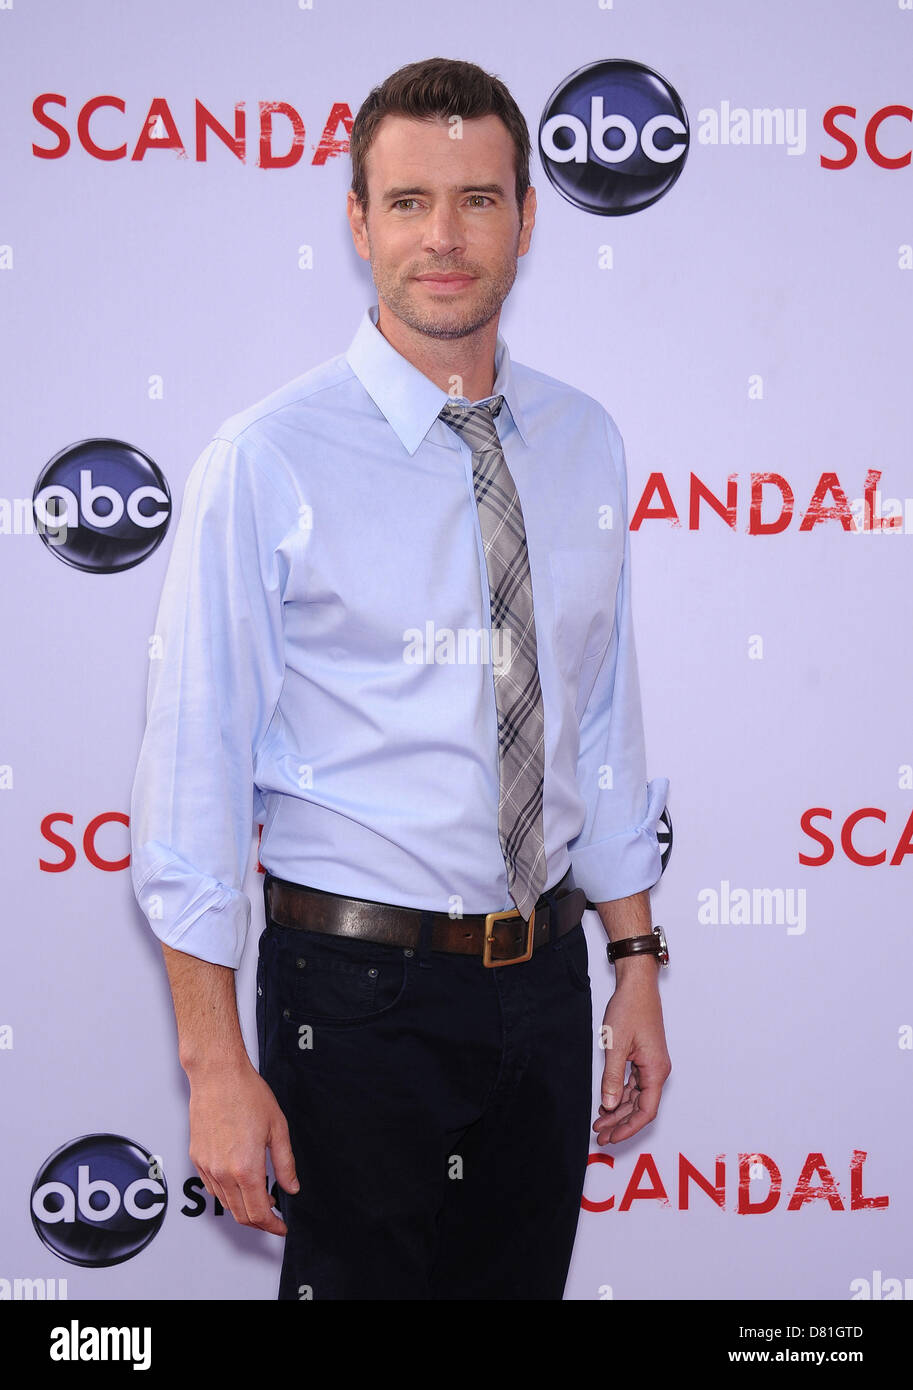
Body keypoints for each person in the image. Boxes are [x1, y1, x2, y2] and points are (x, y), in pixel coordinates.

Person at [130, 56, 671, 1301]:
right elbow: (193, 776)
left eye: (479, 200)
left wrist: (633, 959)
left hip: (542, 985)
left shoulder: (585, 438)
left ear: (528, 221)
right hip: (353, 1000)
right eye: (411, 201)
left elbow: (599, 720)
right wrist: (214, 1067)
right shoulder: (268, 458)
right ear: (359, 219)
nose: (444, 236)